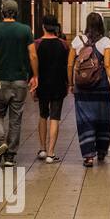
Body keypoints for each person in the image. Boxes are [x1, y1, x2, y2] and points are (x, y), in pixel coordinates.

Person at [0, 0, 34, 168]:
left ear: (2, 12)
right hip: (20, 80)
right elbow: (32, 55)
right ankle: (10, 157)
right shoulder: (25, 30)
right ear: (16, 12)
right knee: (16, 118)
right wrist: (35, 75)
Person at [68, 10, 110, 166]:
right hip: (101, 88)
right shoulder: (106, 42)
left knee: (85, 120)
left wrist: (71, 83)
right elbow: (108, 65)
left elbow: (70, 64)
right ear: (101, 25)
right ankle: (102, 152)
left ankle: (88, 156)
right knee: (103, 119)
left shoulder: (77, 41)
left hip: (82, 89)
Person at [32, 15, 70, 163]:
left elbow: (33, 64)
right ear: (56, 28)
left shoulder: (37, 44)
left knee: (43, 115)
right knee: (55, 117)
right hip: (59, 84)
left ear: (43, 27)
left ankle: (42, 149)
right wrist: (69, 83)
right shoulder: (63, 44)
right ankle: (51, 153)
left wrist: (34, 81)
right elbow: (67, 65)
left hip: (42, 83)